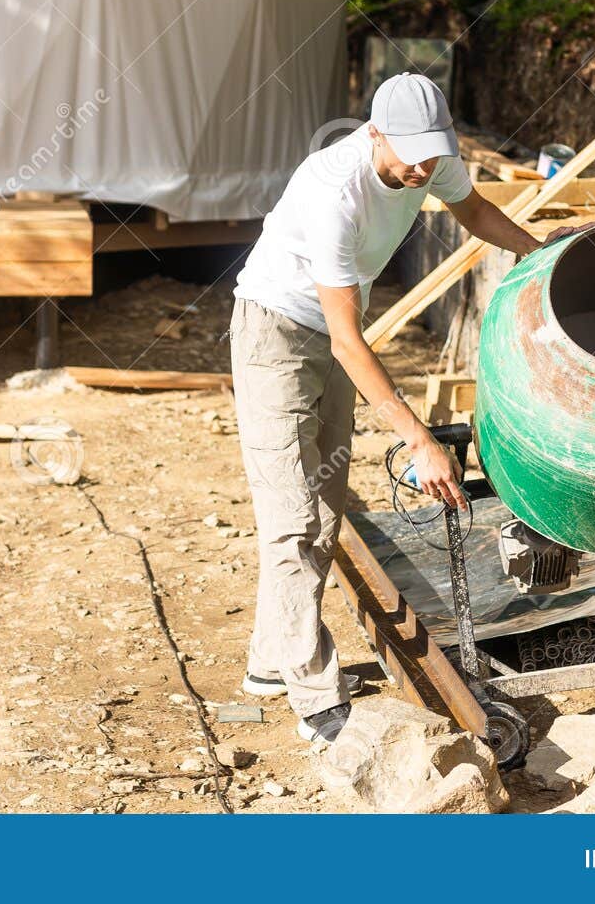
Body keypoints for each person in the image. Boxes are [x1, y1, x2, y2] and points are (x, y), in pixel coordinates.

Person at [229, 71, 558, 744]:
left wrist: (540, 253)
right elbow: (351, 339)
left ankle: (271, 660)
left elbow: (475, 212)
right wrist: (418, 439)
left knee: (323, 508)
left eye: (434, 153)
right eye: (412, 154)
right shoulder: (334, 190)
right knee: (291, 518)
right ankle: (319, 706)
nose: (425, 167)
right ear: (374, 133)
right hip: (275, 333)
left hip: (328, 336)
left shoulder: (427, 159)